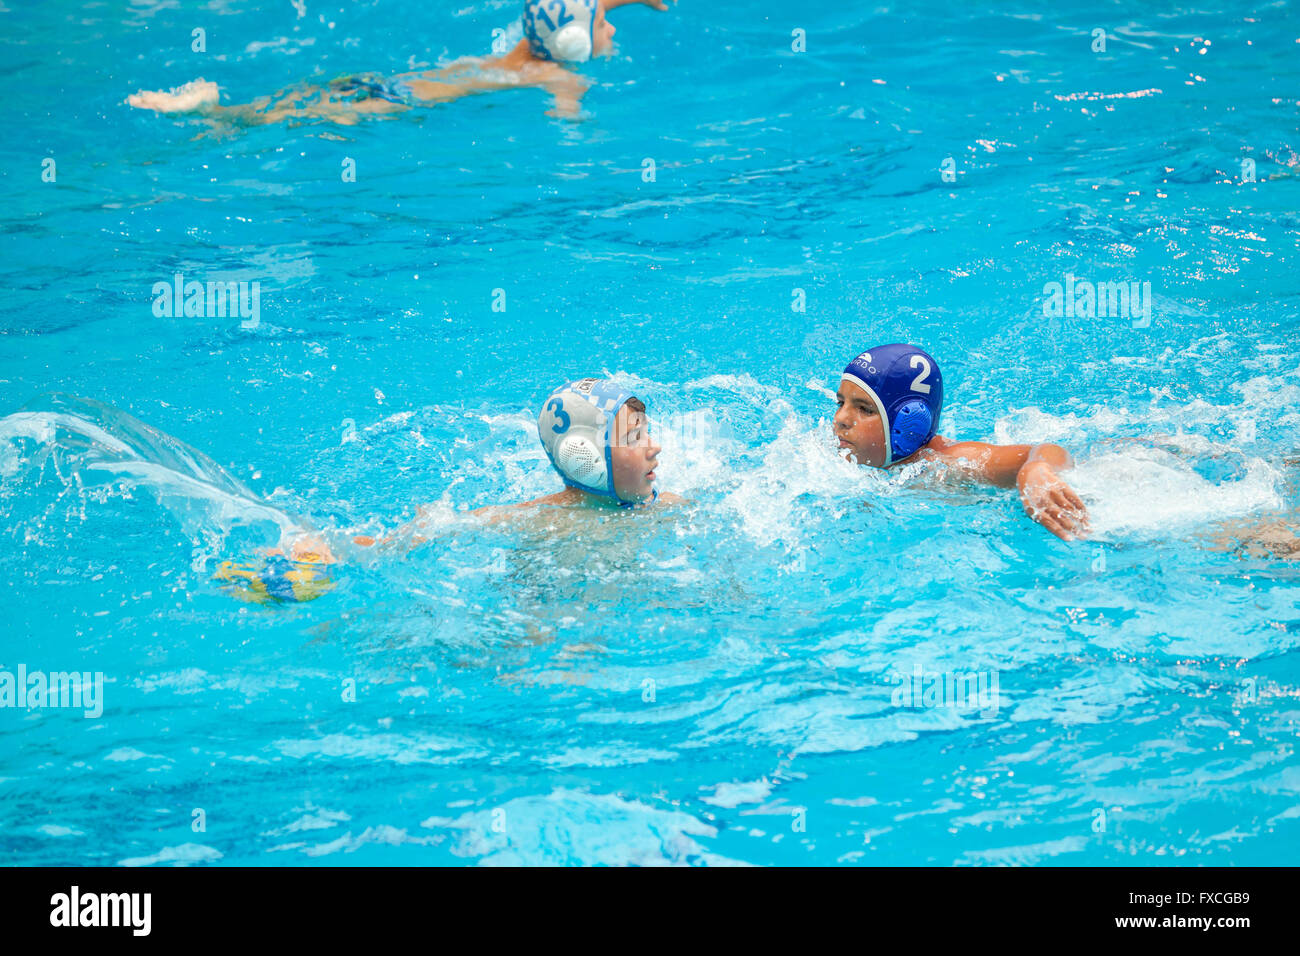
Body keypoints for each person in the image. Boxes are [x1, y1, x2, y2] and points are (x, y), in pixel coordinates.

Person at [126, 0, 676, 125]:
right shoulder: (558, 73)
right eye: (604, 24)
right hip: (399, 103)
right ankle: (213, 110)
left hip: (397, 82)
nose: (612, 25)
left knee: (299, 101)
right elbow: (566, 112)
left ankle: (217, 107)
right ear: (575, 46)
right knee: (279, 119)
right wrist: (571, 113)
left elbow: (574, 11)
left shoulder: (521, 50)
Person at [833, 343, 1092, 541]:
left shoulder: (950, 462)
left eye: (865, 409)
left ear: (908, 423)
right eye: (840, 402)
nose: (840, 419)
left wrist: (1035, 469)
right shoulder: (829, 460)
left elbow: (1050, 453)